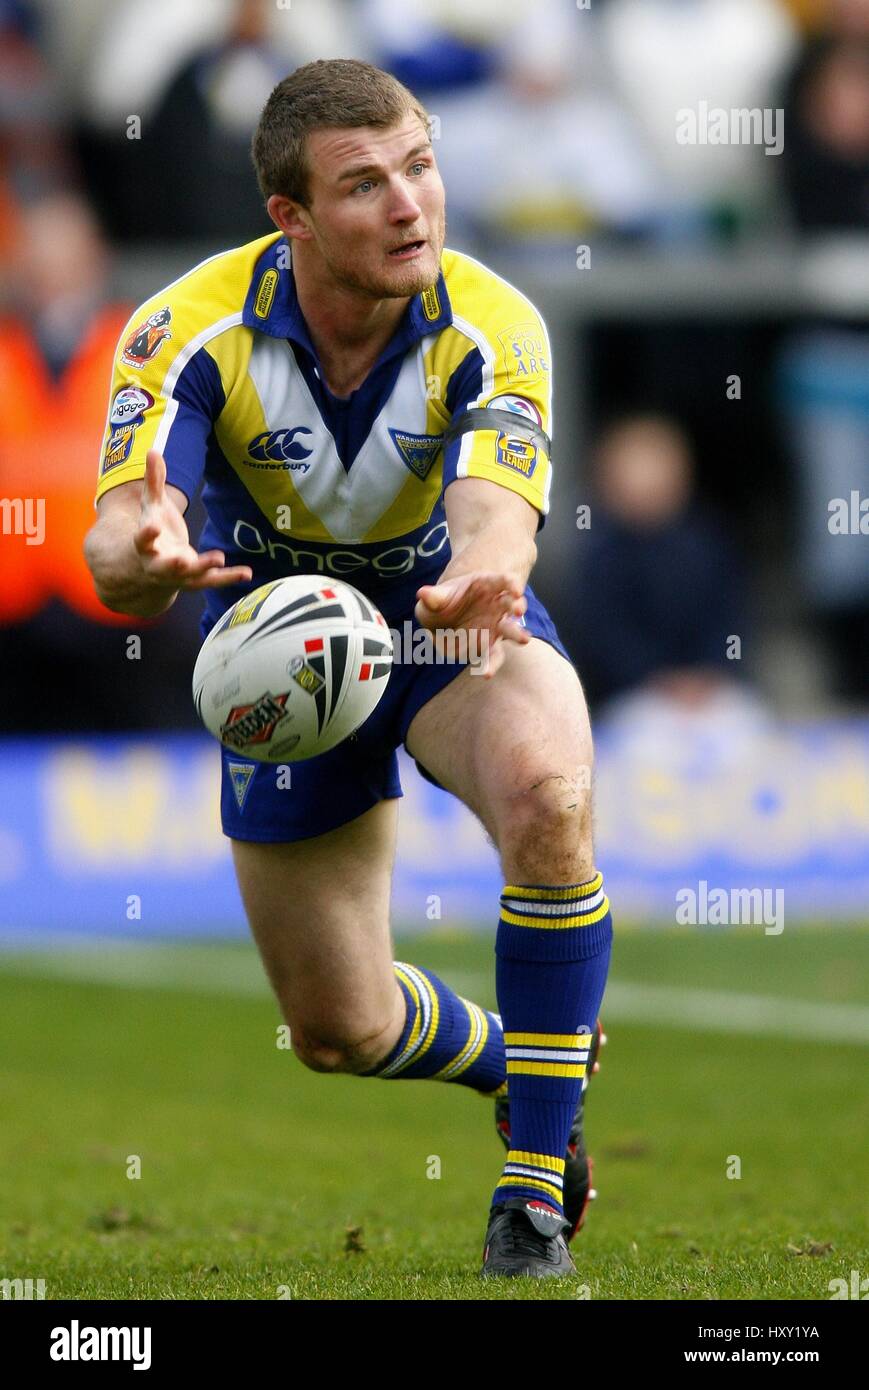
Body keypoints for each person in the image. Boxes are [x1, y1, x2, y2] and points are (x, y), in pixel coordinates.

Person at [83, 58, 613, 1280]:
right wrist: (144, 556)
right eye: (364, 184)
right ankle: (520, 1053)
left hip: (442, 619)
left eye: (419, 167)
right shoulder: (184, 325)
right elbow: (117, 534)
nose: (408, 204)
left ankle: (530, 1196)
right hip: (287, 662)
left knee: (548, 795)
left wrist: (488, 571)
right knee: (339, 1029)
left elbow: (494, 518)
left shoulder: (494, 322)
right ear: (292, 216)